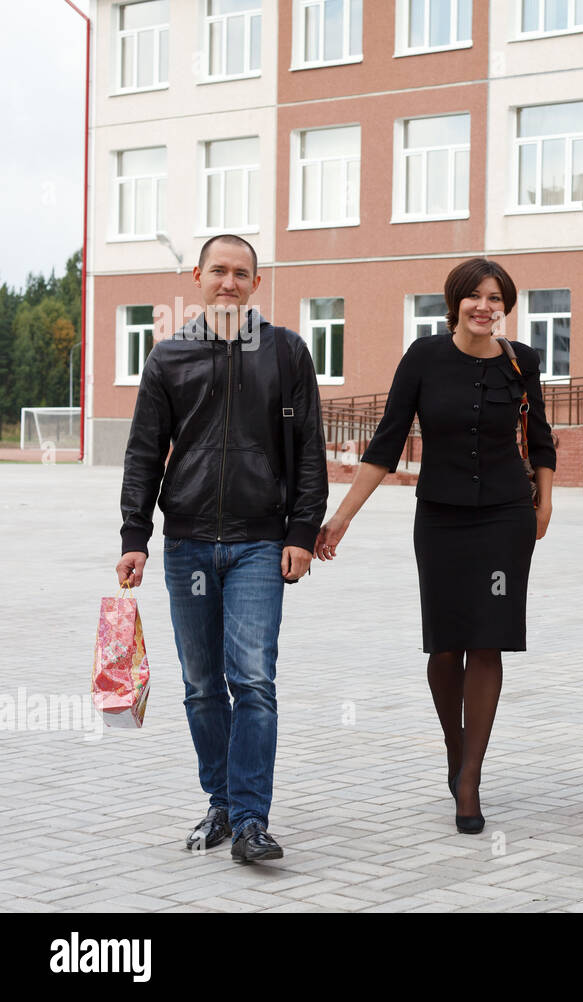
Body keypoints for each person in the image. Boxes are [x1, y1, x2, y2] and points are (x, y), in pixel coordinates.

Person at [314, 258, 556, 835]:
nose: (484, 306)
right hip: (442, 519)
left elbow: (541, 438)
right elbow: (386, 442)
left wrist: (543, 504)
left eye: (495, 297)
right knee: (446, 647)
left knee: (489, 642)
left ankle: (469, 780)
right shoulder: (424, 357)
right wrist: (341, 518)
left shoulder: (522, 363)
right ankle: (457, 751)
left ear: (506, 306)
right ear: (455, 302)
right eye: (474, 296)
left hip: (505, 519)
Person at [115, 234, 328, 863]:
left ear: (257, 284)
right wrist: (135, 536)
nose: (229, 282)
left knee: (253, 681)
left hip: (260, 543)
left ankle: (251, 820)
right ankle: (221, 804)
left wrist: (301, 532)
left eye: (242, 273)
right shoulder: (169, 357)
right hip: (186, 544)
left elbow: (309, 451)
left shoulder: (287, 352)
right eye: (218, 271)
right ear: (197, 277)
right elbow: (144, 453)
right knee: (202, 686)